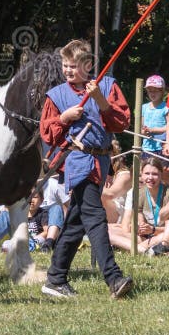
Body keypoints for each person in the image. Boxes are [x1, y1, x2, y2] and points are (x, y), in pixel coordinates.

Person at [39, 39, 133, 300]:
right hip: (78, 161)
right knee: (94, 217)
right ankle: (114, 278)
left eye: (74, 66)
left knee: (76, 222)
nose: (68, 71)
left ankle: (55, 279)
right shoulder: (57, 95)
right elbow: (47, 133)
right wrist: (64, 118)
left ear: (88, 65)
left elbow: (122, 122)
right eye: (65, 66)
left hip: (101, 160)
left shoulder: (106, 86)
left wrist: (101, 101)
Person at [110, 157, 169, 253]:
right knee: (106, 231)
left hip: (162, 235)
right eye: (146, 174)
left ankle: (132, 248)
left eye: (155, 174)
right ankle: (142, 250)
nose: (150, 177)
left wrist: (153, 230)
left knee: (164, 236)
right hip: (145, 237)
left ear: (161, 175)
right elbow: (136, 224)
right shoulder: (139, 193)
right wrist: (140, 227)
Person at [140, 75, 168, 157]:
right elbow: (141, 127)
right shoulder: (144, 107)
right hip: (146, 148)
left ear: (162, 91)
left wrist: (153, 130)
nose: (152, 93)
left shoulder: (166, 107)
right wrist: (143, 132)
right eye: (150, 91)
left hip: (161, 148)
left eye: (155, 91)